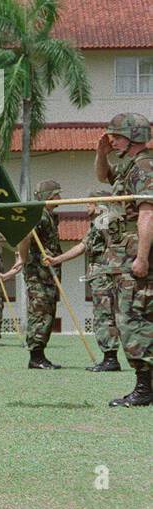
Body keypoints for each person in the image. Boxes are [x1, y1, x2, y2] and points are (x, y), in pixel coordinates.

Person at [94, 113, 153, 406]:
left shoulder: (143, 167)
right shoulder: (129, 166)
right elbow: (102, 176)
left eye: (116, 136)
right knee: (132, 319)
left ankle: (144, 390)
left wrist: (141, 258)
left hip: (134, 257)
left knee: (133, 321)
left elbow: (147, 214)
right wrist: (101, 152)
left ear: (132, 137)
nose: (111, 139)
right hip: (123, 256)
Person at [45, 187, 121, 372]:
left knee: (105, 316)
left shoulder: (104, 220)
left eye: (89, 203)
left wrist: (112, 269)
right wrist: (57, 260)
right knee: (103, 315)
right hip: (99, 275)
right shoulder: (97, 222)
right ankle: (108, 357)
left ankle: (111, 359)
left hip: (105, 275)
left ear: (98, 204)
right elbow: (83, 246)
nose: (86, 206)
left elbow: (113, 245)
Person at [2, 180, 63, 368]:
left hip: (48, 274)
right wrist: (22, 257)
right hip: (38, 274)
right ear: (47, 197)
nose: (60, 198)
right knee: (40, 312)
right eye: (56, 195)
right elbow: (25, 235)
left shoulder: (50, 216)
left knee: (48, 312)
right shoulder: (40, 216)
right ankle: (36, 357)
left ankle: (39, 354)